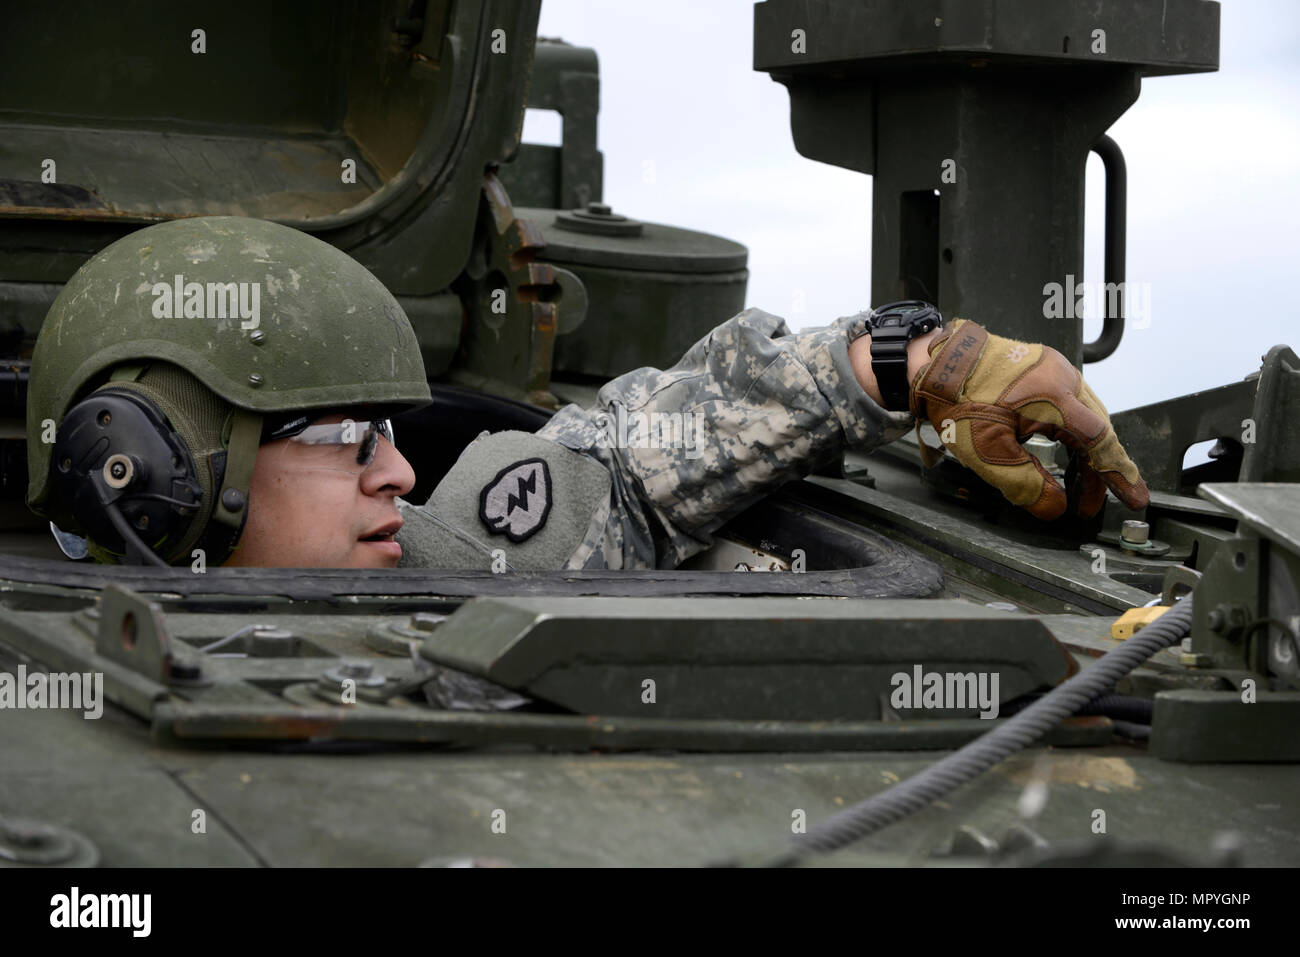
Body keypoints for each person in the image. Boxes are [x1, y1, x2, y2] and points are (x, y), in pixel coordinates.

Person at [25, 216, 1148, 570]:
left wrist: (904, 363)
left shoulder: (429, 558)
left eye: (389, 433)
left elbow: (615, 464)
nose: (399, 473)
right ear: (164, 466)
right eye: (343, 441)